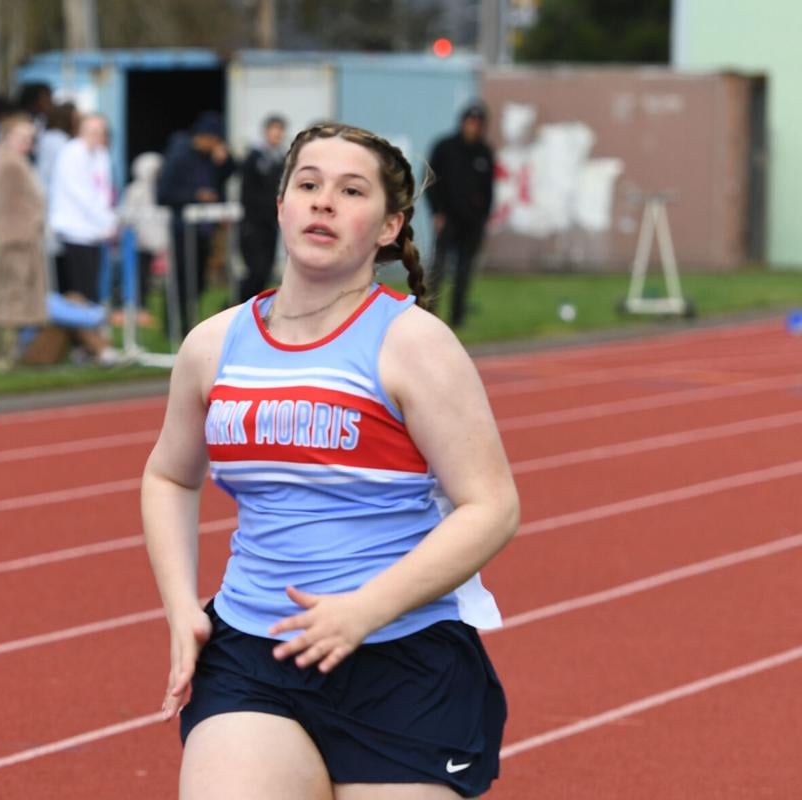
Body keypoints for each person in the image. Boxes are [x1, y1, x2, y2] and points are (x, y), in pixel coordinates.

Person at [142, 123, 519, 799]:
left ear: (388, 226)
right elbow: (169, 475)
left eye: (351, 191)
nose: (323, 202)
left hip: (401, 664)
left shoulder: (413, 345)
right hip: (254, 655)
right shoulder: (213, 346)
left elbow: (491, 507)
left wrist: (364, 610)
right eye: (308, 185)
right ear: (281, 203)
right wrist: (181, 609)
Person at [0, 113, 49, 371]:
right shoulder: (8, 164)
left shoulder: (10, 161)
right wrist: (21, 233)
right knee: (9, 298)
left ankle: (6, 355)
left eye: (31, 138)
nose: (29, 142)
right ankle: (1, 357)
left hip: (15, 239)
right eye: (23, 137)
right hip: (13, 242)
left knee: (11, 298)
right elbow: (3, 208)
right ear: (7, 137)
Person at [157, 111, 236, 333]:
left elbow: (229, 173)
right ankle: (175, 325)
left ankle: (188, 320)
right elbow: (163, 194)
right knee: (181, 279)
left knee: (199, 280)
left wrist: (226, 158)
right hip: (182, 229)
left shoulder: (210, 157)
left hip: (203, 229)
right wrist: (195, 196)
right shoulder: (178, 155)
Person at [425, 102, 495, 329]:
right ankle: (429, 313)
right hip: (448, 219)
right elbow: (430, 181)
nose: (473, 127)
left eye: (477, 123)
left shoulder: (485, 153)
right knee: (438, 269)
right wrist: (436, 212)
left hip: (471, 223)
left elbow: (489, 190)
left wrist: (483, 219)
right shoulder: (445, 148)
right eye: (470, 122)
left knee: (464, 273)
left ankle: (457, 318)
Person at [48, 113, 117, 303]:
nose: (97, 136)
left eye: (101, 131)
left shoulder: (100, 155)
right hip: (74, 230)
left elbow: (103, 190)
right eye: (92, 131)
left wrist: (107, 220)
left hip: (94, 232)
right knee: (80, 290)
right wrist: (107, 220)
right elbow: (81, 193)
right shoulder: (72, 153)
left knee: (92, 288)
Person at [237, 114, 287, 301]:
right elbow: (248, 192)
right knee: (256, 270)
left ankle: (251, 308)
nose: (277, 135)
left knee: (266, 271)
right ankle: (237, 306)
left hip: (271, 224)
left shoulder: (281, 159)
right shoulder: (254, 157)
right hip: (254, 223)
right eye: (274, 130)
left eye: (280, 131)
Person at [117, 151, 170, 327]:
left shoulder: (161, 188)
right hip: (139, 241)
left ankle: (148, 308)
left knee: (155, 278)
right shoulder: (135, 190)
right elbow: (128, 215)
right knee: (139, 275)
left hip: (157, 239)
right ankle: (136, 307)